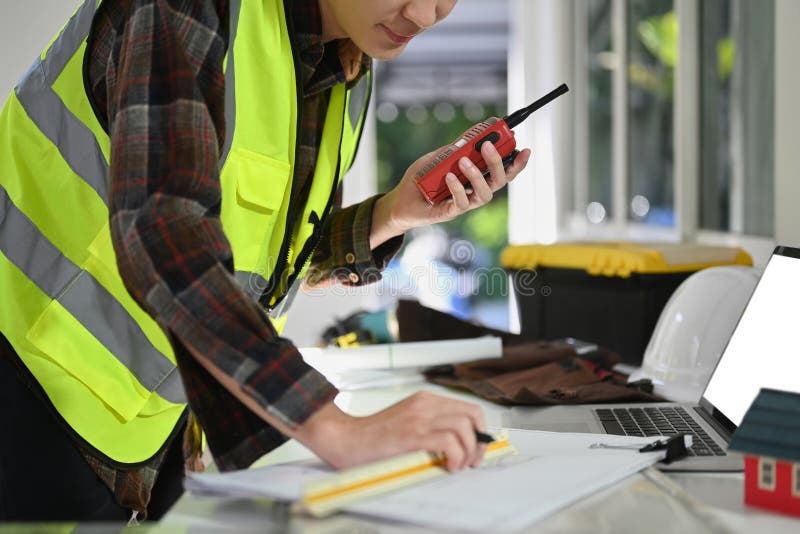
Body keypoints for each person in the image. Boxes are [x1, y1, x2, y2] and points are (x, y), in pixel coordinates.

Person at [0, 0, 531, 522]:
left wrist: (396, 212)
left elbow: (267, 264)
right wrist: (335, 428)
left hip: (151, 425)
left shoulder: (346, 65)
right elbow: (165, 231)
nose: (425, 14)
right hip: (28, 386)